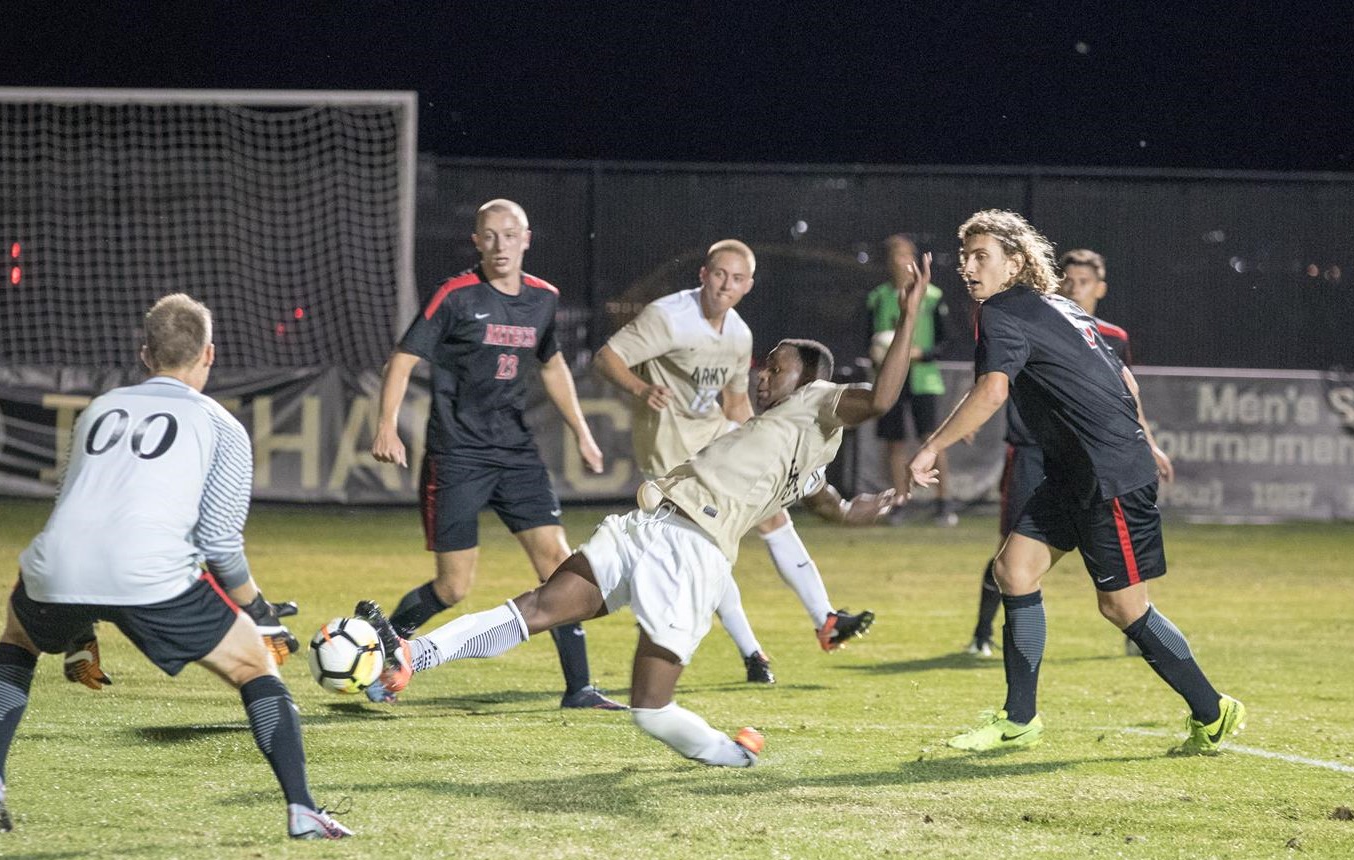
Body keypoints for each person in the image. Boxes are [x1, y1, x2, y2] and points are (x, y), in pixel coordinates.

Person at [356, 257, 933, 766]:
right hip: (646, 528)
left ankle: (729, 753)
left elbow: (880, 402)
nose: (763, 375)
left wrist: (907, 316)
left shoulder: (817, 402)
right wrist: (873, 505)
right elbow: (837, 507)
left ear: (811, 383)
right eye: (766, 366)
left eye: (776, 368)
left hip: (693, 554)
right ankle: (411, 655)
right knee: (538, 606)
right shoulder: (790, 446)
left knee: (650, 708)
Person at [0, 294, 350, 839]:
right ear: (209, 354)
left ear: (145, 354)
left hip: (58, 565)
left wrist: (78, 631)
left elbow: (74, 514)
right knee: (253, 669)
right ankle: (303, 812)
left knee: (18, 640)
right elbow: (219, 542)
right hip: (151, 576)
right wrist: (259, 612)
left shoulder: (98, 408)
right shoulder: (221, 425)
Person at [910, 211, 1242, 755]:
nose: (967, 268)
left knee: (1123, 608)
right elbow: (1125, 377)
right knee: (1013, 570)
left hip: (1109, 476)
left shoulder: (1001, 311)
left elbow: (993, 391)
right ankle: (1019, 719)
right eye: (964, 257)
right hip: (1075, 470)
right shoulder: (1057, 306)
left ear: (1015, 263)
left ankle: (1213, 709)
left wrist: (932, 445)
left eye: (981, 257)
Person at [367, 198, 623, 710]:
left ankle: (579, 689)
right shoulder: (456, 295)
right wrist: (386, 425)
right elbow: (404, 358)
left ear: (526, 240)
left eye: (510, 234)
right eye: (490, 235)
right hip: (457, 454)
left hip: (516, 453)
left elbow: (552, 365)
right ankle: (380, 660)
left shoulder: (543, 298)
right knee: (453, 587)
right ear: (476, 242)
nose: (500, 244)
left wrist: (582, 432)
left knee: (559, 567)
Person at [592, 239, 875, 685]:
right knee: (709, 547)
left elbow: (736, 402)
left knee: (775, 518)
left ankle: (825, 618)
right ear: (703, 275)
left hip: (714, 441)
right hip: (669, 456)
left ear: (748, 286)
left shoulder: (739, 333)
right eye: (720, 274)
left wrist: (766, 446)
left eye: (737, 278)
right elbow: (607, 358)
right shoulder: (668, 316)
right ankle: (752, 651)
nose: (726, 285)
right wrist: (641, 389)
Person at [965, 248, 1173, 658]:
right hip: (1032, 452)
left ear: (1100, 288)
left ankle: (1137, 630)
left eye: (1083, 281)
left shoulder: (1111, 337)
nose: (1074, 286)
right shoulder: (1028, 320)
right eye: (1069, 279)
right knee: (1011, 552)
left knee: (1116, 577)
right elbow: (991, 379)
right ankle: (982, 633)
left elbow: (1125, 395)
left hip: (1093, 460)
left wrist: (1147, 442)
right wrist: (967, 416)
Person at [867, 234, 956, 526]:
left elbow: (947, 342)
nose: (902, 261)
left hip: (923, 379)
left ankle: (944, 503)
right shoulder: (878, 297)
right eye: (896, 255)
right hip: (891, 380)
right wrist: (877, 355)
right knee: (894, 442)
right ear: (888, 262)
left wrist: (922, 353)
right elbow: (869, 340)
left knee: (932, 439)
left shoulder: (932, 296)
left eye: (907, 255)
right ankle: (900, 501)